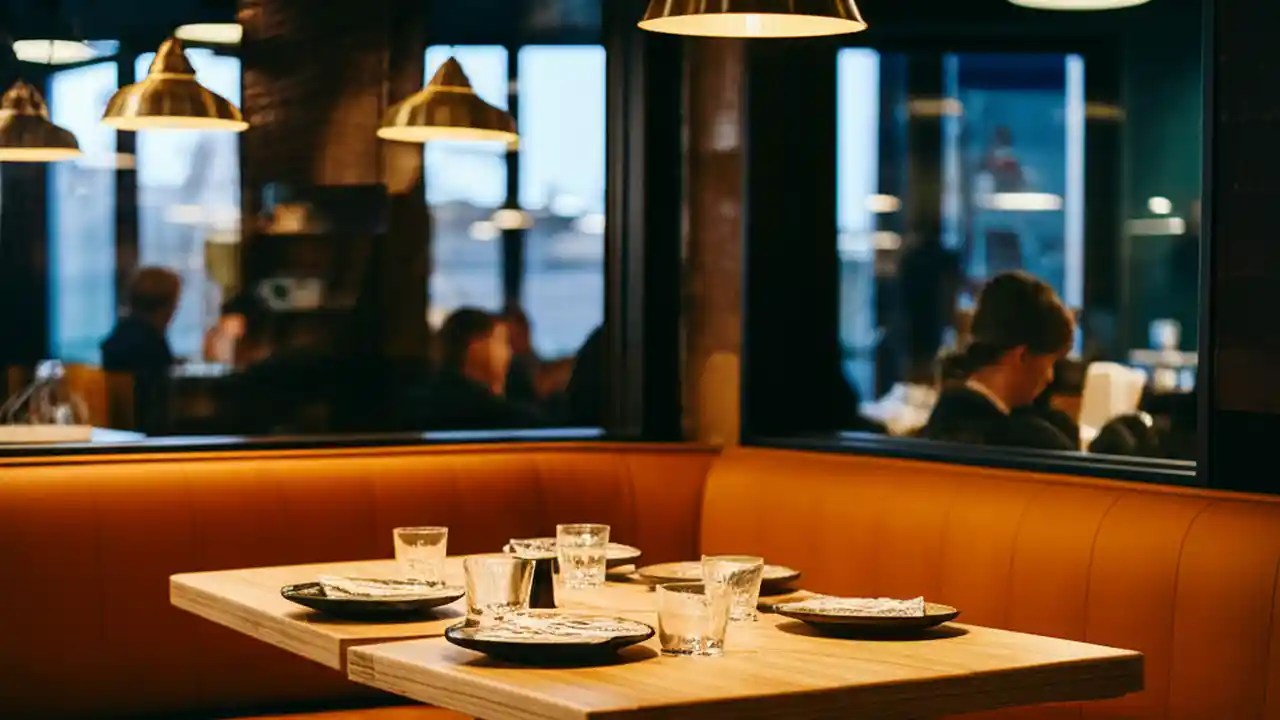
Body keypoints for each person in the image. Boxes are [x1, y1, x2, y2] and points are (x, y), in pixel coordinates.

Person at [919, 271, 1076, 451]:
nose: (1050, 377)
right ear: (1022, 356)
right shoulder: (1028, 442)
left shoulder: (940, 423)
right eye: (1050, 363)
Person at [414, 308, 543, 430]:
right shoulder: (512, 420)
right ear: (476, 346)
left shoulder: (416, 408)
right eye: (503, 342)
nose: (509, 354)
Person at [101, 267, 182, 433]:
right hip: (148, 436)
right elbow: (158, 406)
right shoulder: (151, 345)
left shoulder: (120, 336)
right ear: (166, 305)